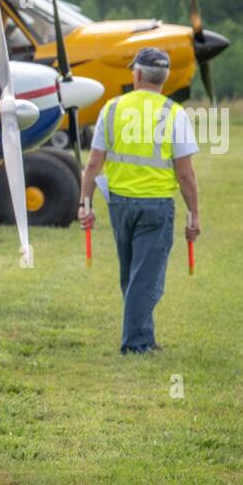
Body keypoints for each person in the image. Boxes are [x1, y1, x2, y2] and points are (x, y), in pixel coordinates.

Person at [77, 47, 200, 354]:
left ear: (137, 74)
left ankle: (142, 335)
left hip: (120, 203)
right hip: (156, 205)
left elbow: (93, 163)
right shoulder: (174, 113)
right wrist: (194, 213)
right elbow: (185, 174)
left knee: (132, 273)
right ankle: (136, 344)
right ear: (165, 78)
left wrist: (85, 203)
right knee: (146, 277)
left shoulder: (112, 109)